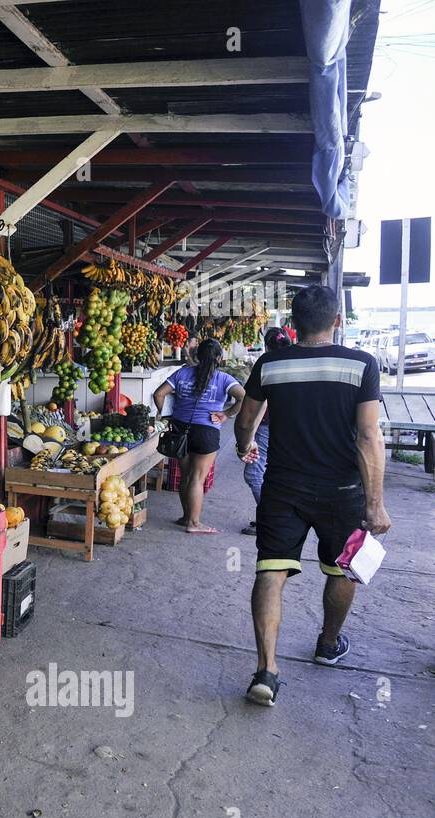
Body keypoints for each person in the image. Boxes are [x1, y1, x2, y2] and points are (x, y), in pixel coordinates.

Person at [234, 284, 391, 707]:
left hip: (283, 487)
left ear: (293, 323)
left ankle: (266, 671)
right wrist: (375, 502)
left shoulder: (270, 363)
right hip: (342, 491)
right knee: (341, 571)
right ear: (336, 322)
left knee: (270, 571)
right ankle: (328, 643)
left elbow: (246, 420)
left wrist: (244, 445)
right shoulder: (361, 364)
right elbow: (368, 435)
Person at [153, 338, 245, 534]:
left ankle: (186, 516)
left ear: (198, 355)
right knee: (197, 478)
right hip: (206, 431)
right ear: (219, 358)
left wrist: (166, 415)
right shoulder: (223, 379)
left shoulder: (183, 372)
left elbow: (159, 394)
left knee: (186, 477)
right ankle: (194, 523)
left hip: (180, 429)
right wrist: (226, 414)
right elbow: (243, 397)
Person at [239, 326, 293, 535]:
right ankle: (269, 517)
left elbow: (254, 410)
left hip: (266, 427)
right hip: (286, 428)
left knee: (253, 473)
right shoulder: (294, 364)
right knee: (273, 474)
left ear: (267, 346)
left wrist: (245, 441)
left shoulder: (267, 365)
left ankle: (271, 521)